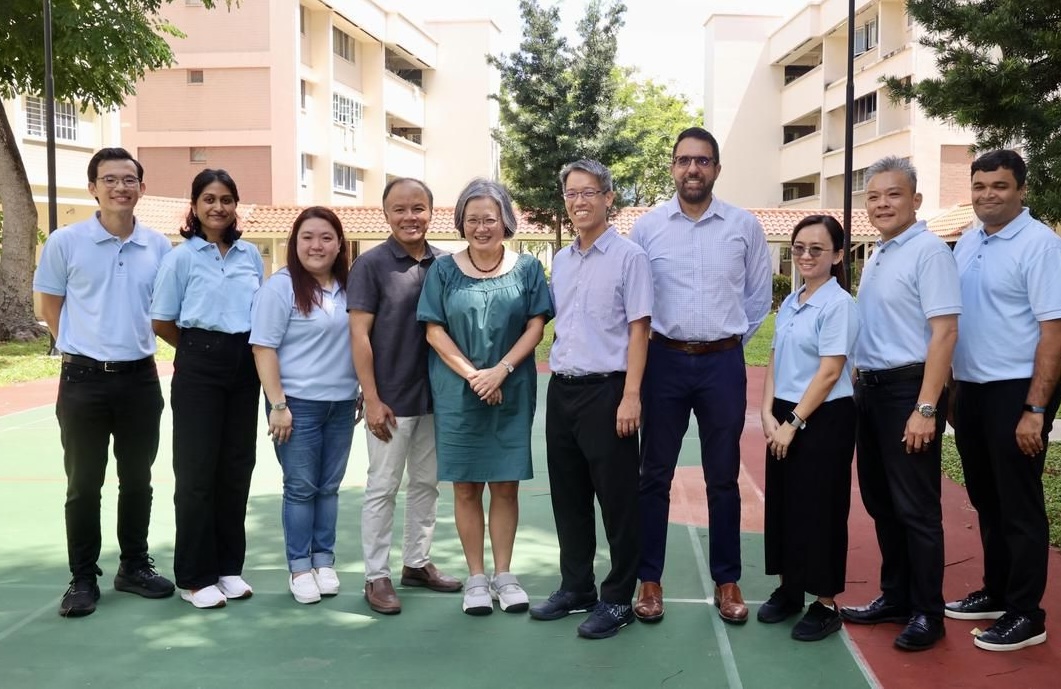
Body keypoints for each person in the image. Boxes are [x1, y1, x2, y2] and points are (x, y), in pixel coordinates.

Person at [629, 127, 772, 625]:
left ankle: (727, 579)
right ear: (672, 166)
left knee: (723, 479)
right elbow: (636, 303)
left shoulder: (743, 226)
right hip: (663, 361)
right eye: (685, 160)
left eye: (704, 161)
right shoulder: (647, 229)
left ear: (716, 168)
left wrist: (726, 342)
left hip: (722, 365)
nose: (694, 169)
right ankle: (649, 579)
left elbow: (757, 299)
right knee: (654, 476)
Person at [34, 147, 176, 617]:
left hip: (140, 380)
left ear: (141, 187)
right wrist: (81, 345)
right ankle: (81, 578)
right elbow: (47, 307)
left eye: (129, 179)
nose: (121, 187)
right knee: (84, 483)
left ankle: (133, 565)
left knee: (138, 481)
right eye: (110, 179)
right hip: (82, 380)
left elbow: (162, 310)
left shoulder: (157, 246)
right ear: (93, 187)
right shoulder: (66, 242)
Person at [839, 156, 961, 652]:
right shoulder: (883, 252)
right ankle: (896, 597)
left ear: (915, 200)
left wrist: (926, 406)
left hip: (907, 392)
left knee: (916, 509)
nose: (882, 204)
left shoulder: (929, 252)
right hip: (871, 392)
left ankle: (928, 613)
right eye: (873, 196)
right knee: (881, 502)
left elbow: (945, 331)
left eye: (893, 195)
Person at [417, 178, 553, 616]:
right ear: (461, 223)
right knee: (466, 487)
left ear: (505, 222)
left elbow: (536, 326)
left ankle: (505, 575)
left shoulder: (528, 268)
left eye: (489, 219)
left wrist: (501, 371)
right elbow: (434, 330)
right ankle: (476, 578)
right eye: (472, 219)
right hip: (459, 391)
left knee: (506, 486)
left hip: (511, 389)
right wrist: (476, 375)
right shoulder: (442, 270)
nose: (481, 227)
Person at [529, 160, 652, 639]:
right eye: (571, 194)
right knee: (569, 497)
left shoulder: (629, 257)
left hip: (609, 392)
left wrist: (631, 397)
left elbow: (639, 331)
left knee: (618, 501)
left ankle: (619, 597)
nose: (579, 201)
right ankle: (576, 587)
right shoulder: (561, 260)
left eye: (589, 192)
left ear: (608, 198)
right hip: (562, 390)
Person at [946, 150, 1061, 651]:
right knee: (985, 498)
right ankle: (997, 591)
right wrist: (951, 388)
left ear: (1022, 191)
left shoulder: (1040, 245)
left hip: (1016, 389)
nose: (987, 194)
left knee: (1018, 505)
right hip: (971, 388)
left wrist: (1035, 409)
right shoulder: (968, 241)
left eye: (1000, 186)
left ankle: (1026, 614)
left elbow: (1054, 333)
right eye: (980, 186)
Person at [151, 169, 265, 609]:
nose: (218, 207)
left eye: (226, 199)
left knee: (236, 468)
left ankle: (228, 568)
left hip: (244, 363)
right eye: (209, 199)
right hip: (199, 362)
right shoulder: (182, 258)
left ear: (236, 205)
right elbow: (163, 321)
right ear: (194, 206)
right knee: (197, 472)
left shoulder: (250, 255)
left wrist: (232, 354)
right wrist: (201, 351)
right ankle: (195, 577)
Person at [348, 178, 461, 615]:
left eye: (418, 208)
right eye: (400, 209)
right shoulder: (371, 265)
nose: (410, 217)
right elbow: (359, 334)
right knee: (382, 487)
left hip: (436, 398)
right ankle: (376, 576)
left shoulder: (448, 264)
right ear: (386, 214)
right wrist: (371, 397)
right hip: (390, 400)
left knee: (426, 485)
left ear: (432, 212)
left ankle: (416, 562)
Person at [250, 207, 360, 605]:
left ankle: (323, 560)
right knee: (300, 488)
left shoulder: (348, 286)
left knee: (328, 487)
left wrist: (361, 388)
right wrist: (278, 404)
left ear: (339, 244)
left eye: (326, 237)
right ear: (295, 244)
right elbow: (263, 348)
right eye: (308, 237)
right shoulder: (279, 288)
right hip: (296, 405)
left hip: (342, 403)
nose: (317, 245)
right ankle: (299, 567)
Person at [759, 215, 858, 642]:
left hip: (823, 417)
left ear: (837, 255)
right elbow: (776, 360)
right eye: (799, 247)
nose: (805, 255)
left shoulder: (839, 305)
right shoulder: (793, 301)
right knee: (784, 503)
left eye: (816, 249)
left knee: (820, 508)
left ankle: (825, 602)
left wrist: (794, 423)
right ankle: (789, 588)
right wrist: (767, 412)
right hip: (785, 412)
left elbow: (830, 371)